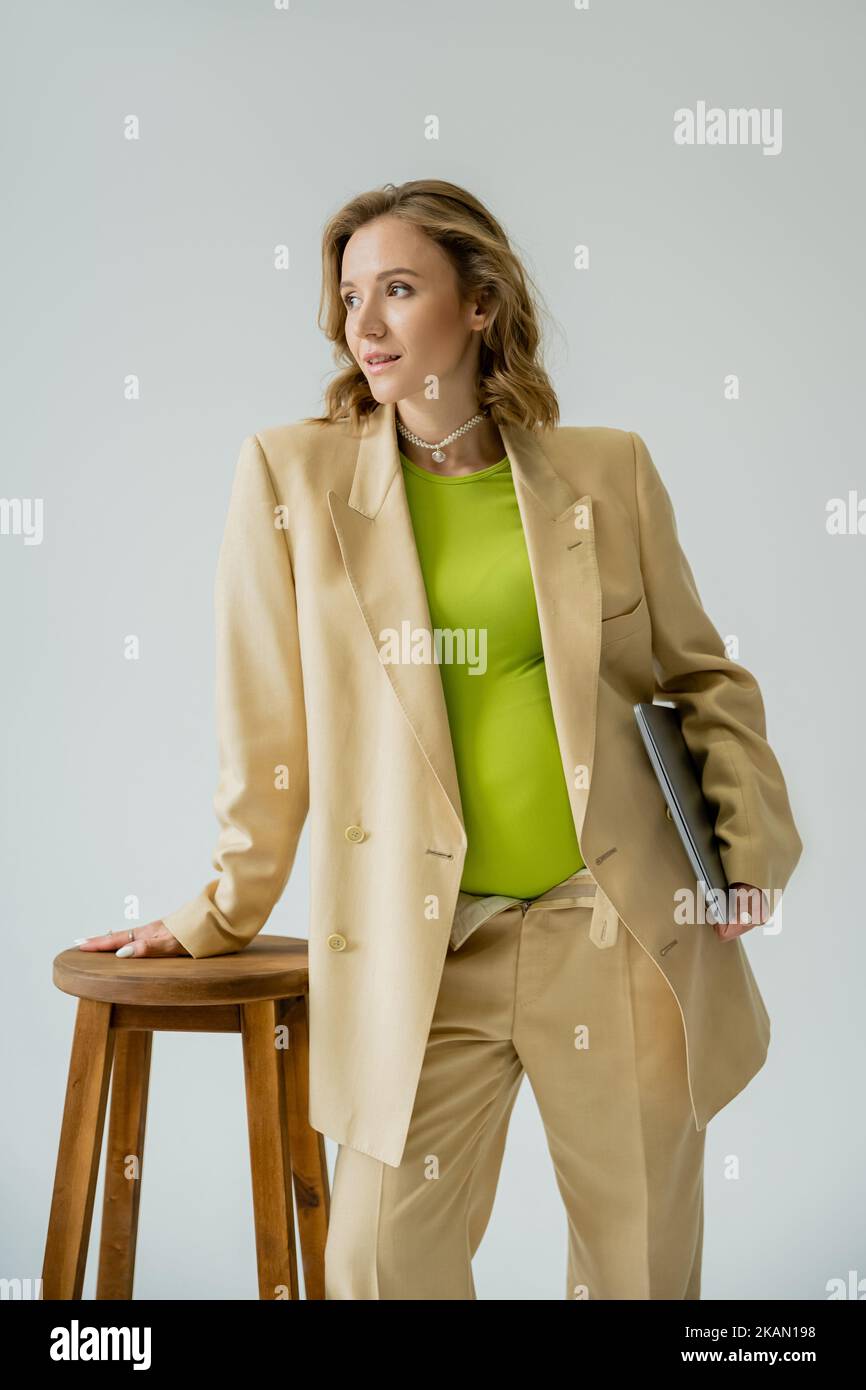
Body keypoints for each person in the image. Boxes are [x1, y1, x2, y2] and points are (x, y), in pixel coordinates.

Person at [77, 179, 803, 1299]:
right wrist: (219, 910)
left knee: (639, 1269)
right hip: (421, 951)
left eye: (398, 290)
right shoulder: (293, 476)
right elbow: (265, 720)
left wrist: (741, 854)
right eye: (350, 296)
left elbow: (700, 677)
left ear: (478, 304)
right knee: (377, 1259)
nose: (363, 324)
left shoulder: (604, 473)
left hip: (608, 932)